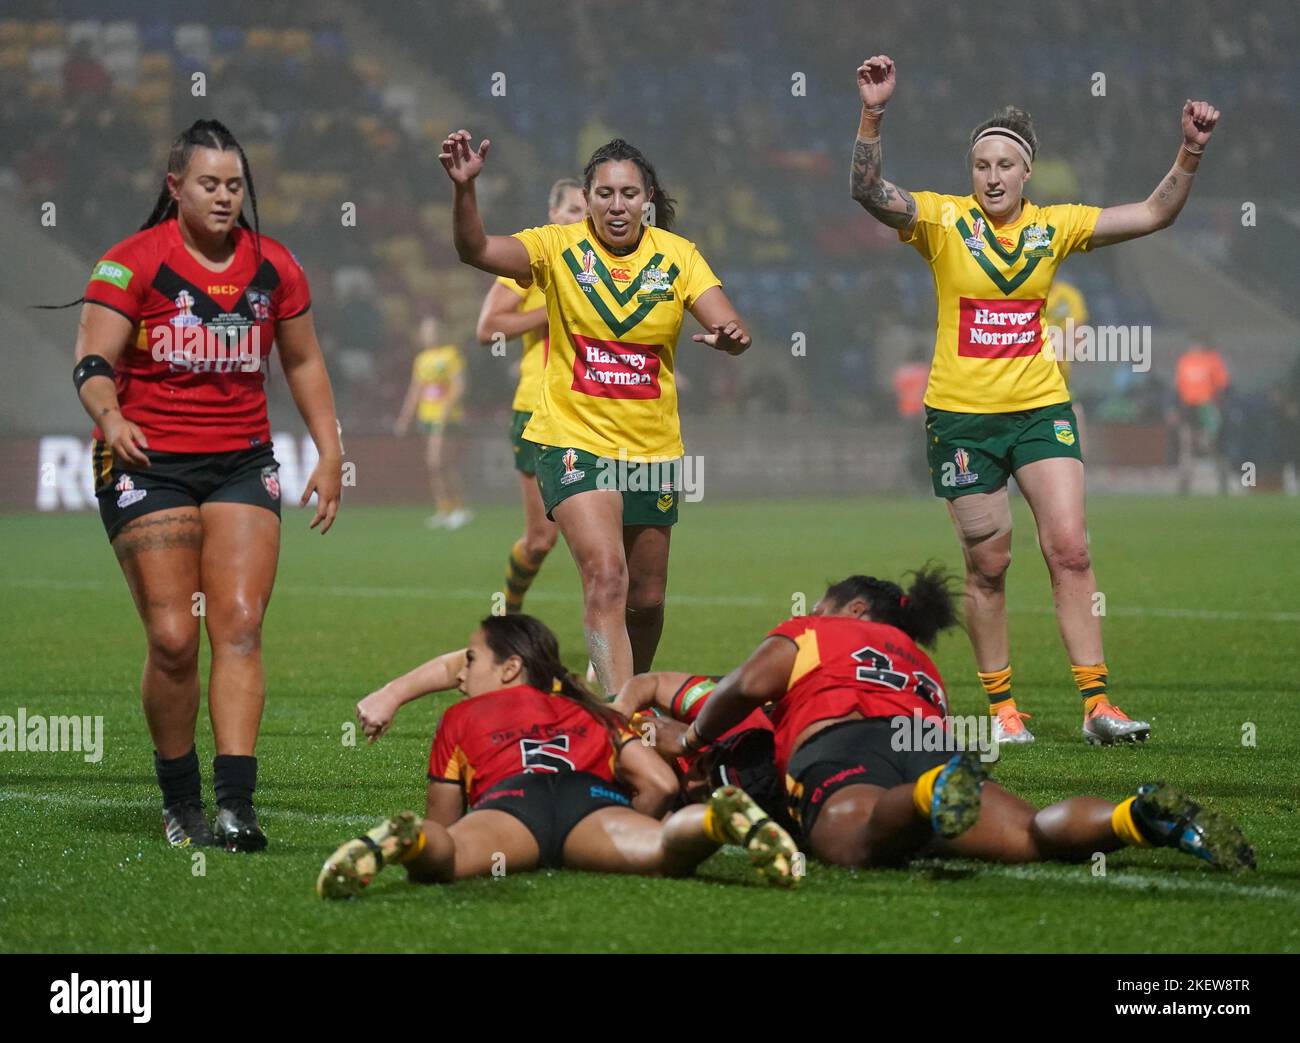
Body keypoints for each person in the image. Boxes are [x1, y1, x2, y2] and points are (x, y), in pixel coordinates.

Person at [849, 55, 1221, 745]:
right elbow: (868, 191)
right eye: (981, 164)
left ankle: (1098, 704)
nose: (991, 175)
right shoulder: (940, 221)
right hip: (961, 421)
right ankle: (1002, 709)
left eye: (1004, 165)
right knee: (989, 564)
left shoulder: (1056, 226)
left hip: (1040, 410)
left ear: (1027, 174)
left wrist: (1190, 152)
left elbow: (1154, 211)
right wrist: (873, 113)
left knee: (1072, 551)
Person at [68, 119, 343, 850]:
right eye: (209, 184)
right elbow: (92, 360)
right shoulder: (129, 264)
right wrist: (112, 415)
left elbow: (304, 362)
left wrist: (329, 449)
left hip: (242, 463)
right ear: (175, 188)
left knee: (242, 626)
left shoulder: (274, 266)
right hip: (146, 464)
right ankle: (178, 798)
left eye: (234, 184)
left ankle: (234, 807)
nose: (224, 197)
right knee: (172, 639)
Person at [660, 567, 1254, 873]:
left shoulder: (818, 630)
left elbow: (745, 686)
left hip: (844, 742)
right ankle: (1136, 817)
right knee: (1030, 835)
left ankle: (927, 797)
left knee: (852, 841)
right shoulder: (918, 662)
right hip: (927, 740)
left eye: (823, 604)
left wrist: (690, 738)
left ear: (855, 608)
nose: (814, 612)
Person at [440, 130, 752, 695]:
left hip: (651, 451)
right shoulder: (556, 247)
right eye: (604, 193)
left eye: (629, 194)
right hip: (572, 440)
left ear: (648, 198)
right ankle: (621, 721)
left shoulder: (678, 256)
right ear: (587, 197)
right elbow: (476, 250)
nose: (616, 205)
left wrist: (730, 338)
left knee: (648, 598)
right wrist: (466, 191)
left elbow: (729, 325)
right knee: (607, 577)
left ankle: (620, 692)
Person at [318, 615, 798, 897]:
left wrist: (434, 838)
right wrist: (619, 817)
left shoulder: (461, 719)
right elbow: (662, 784)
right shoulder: (591, 711)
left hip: (510, 805)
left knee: (444, 856)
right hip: (589, 802)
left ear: (510, 668)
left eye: (469, 662)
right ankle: (712, 821)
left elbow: (445, 820)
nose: (459, 675)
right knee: (663, 853)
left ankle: (406, 839)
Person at [474, 178, 586, 611]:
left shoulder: (606, 268)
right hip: (537, 412)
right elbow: (487, 328)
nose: (582, 220)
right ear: (553, 214)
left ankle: (607, 647)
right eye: (573, 211)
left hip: (593, 412)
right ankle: (510, 611)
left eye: (587, 212)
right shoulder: (533, 263)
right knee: (541, 540)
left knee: (598, 539)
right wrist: (551, 309)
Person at [612, 671, 791, 834]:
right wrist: (620, 712)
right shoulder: (727, 719)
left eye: (709, 795)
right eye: (701, 767)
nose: (692, 785)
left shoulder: (771, 808)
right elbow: (652, 683)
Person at [394, 315, 471, 529]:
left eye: (433, 331)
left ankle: (460, 507)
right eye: (426, 332)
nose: (430, 335)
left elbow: (459, 386)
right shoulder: (421, 360)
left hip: (447, 417)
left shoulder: (451, 355)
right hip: (426, 417)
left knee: (439, 462)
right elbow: (416, 389)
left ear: (441, 333)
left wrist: (446, 410)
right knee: (436, 465)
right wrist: (405, 418)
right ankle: (444, 508)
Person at [1173, 339, 1231, 495]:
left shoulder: (1213, 361)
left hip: (1206, 407)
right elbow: (1178, 387)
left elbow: (1223, 386)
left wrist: (1217, 407)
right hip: (1189, 407)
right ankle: (1184, 482)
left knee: (1208, 445)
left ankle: (1222, 475)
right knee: (1187, 445)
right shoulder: (1184, 361)